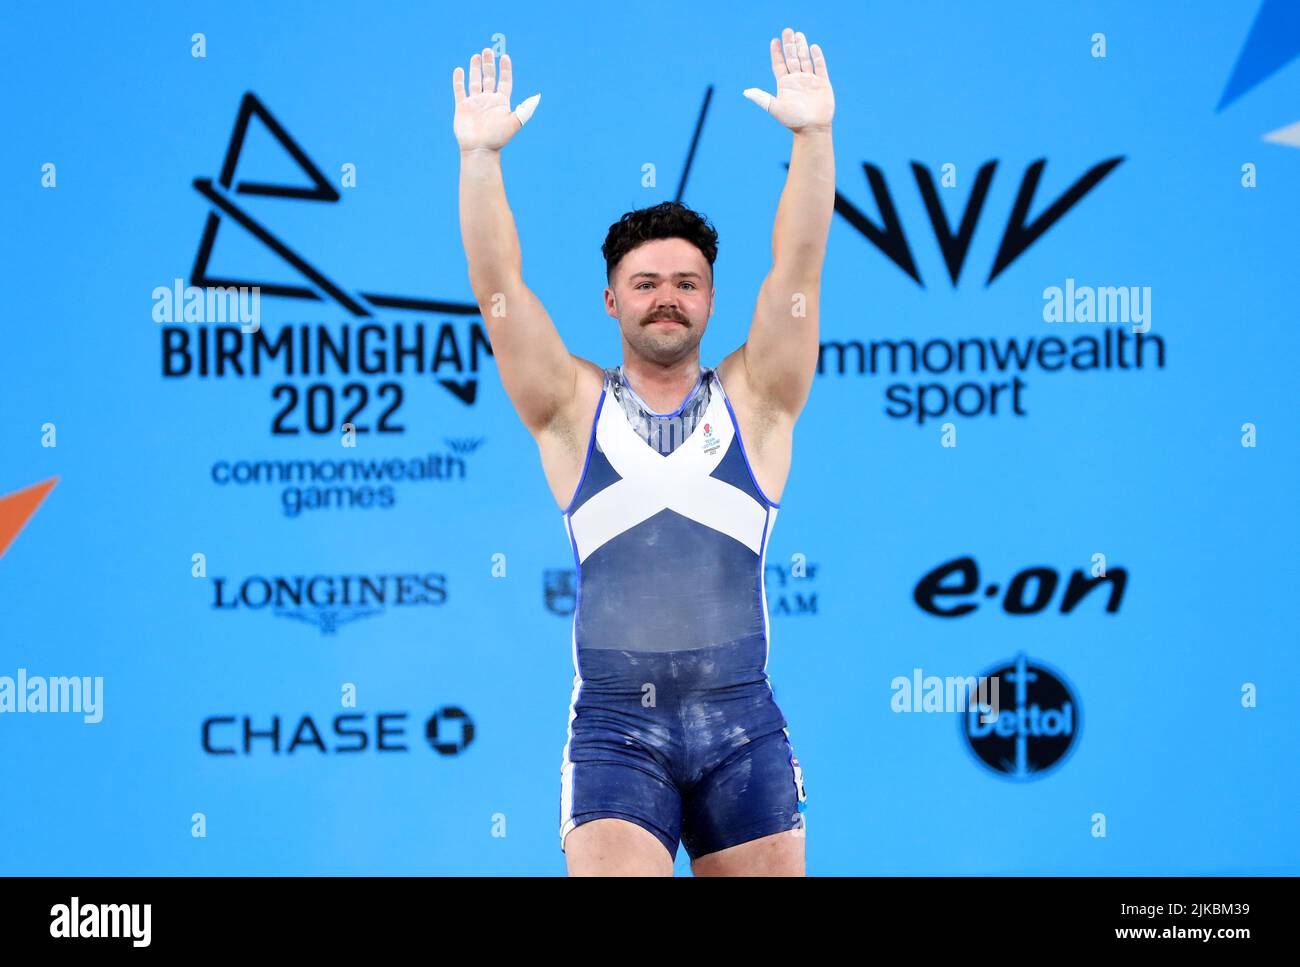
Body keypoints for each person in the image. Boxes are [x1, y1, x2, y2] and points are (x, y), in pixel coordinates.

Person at [453, 26, 834, 876]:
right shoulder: (569, 410)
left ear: (710, 300)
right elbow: (499, 291)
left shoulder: (759, 402)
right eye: (647, 283)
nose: (667, 297)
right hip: (617, 731)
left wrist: (813, 139)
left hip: (744, 727)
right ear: (612, 299)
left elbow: (800, 269)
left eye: (686, 282)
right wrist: (480, 159)